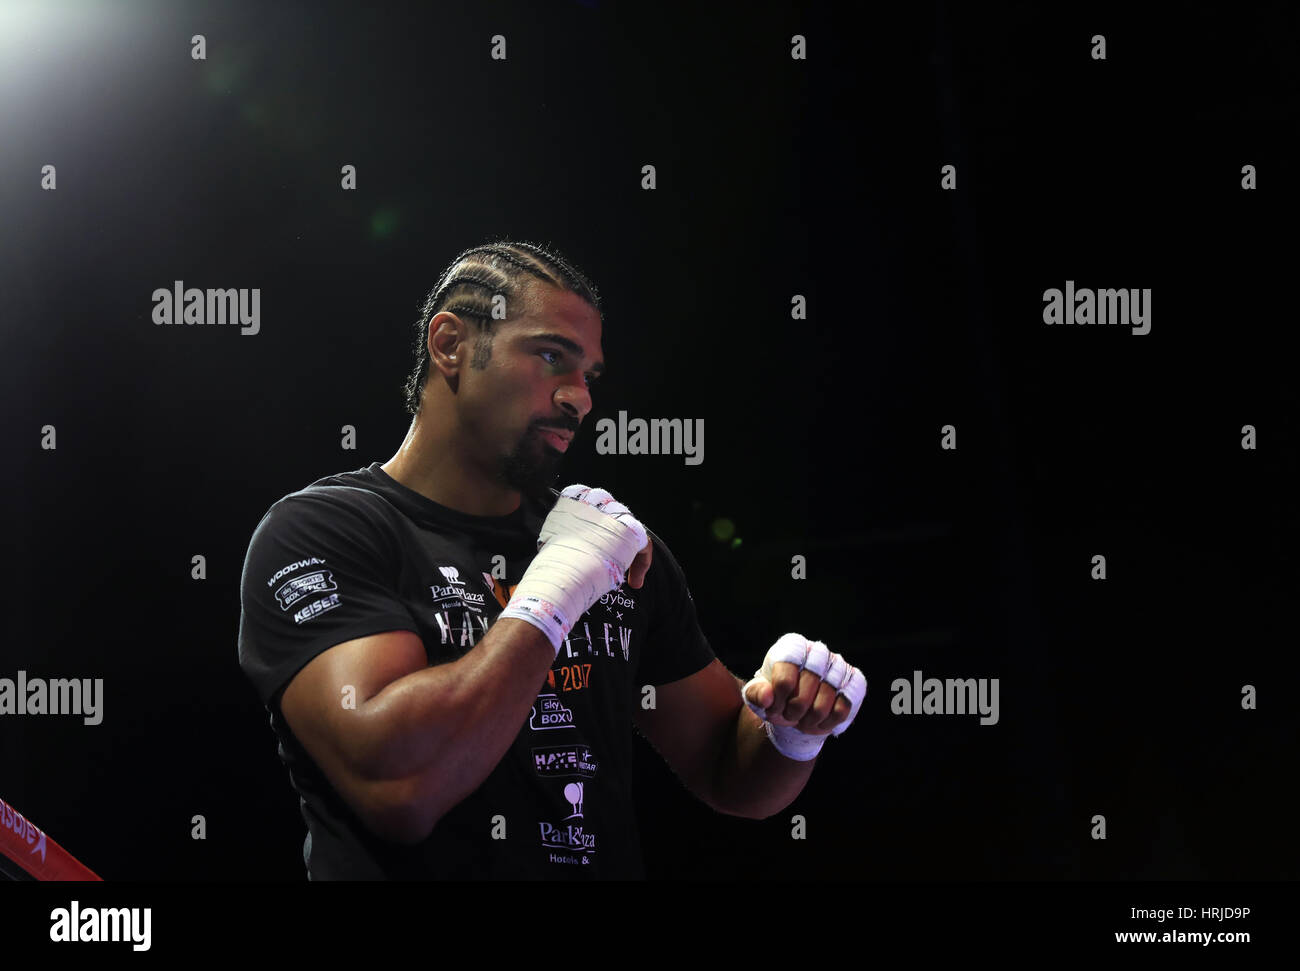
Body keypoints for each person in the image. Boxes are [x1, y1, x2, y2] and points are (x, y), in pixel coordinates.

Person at [237, 240, 866, 879]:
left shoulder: (612, 550)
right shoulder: (324, 532)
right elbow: (401, 789)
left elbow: (729, 775)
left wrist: (791, 723)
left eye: (588, 375)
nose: (580, 399)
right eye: (549, 356)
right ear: (451, 345)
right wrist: (557, 589)